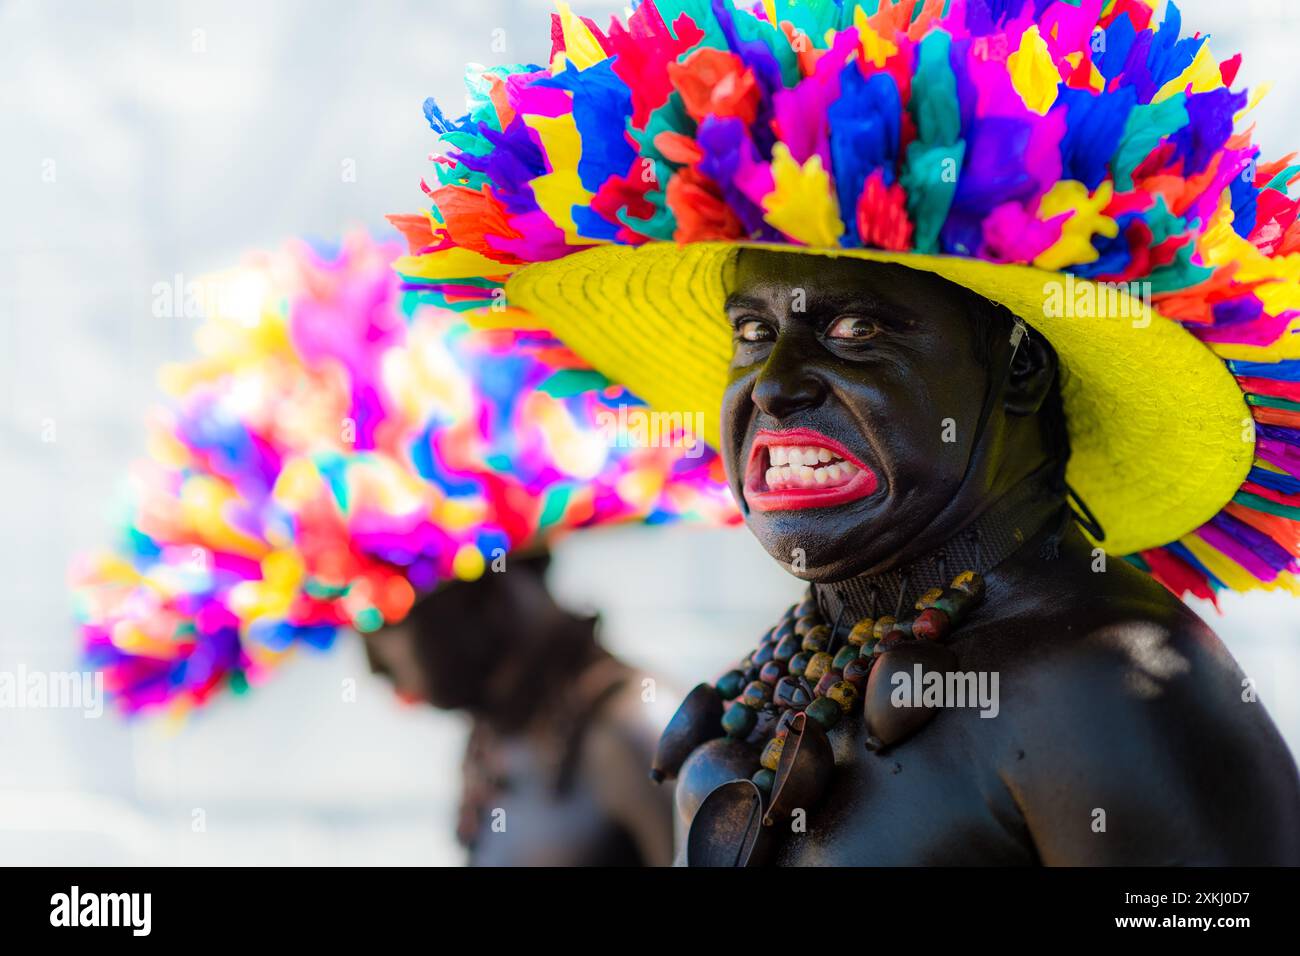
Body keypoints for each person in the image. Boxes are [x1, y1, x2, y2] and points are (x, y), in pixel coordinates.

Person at [394, 0, 1300, 864]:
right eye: (752, 333)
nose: (776, 384)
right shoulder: (770, 684)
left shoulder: (1108, 682)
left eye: (857, 331)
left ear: (1020, 369)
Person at [72, 233, 735, 865]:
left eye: (378, 619)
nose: (375, 670)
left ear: (478, 582)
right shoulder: (502, 741)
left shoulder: (638, 734)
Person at [361, 550, 674, 865]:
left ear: (489, 587)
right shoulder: (490, 742)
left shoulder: (636, 729)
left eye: (385, 610)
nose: (374, 664)